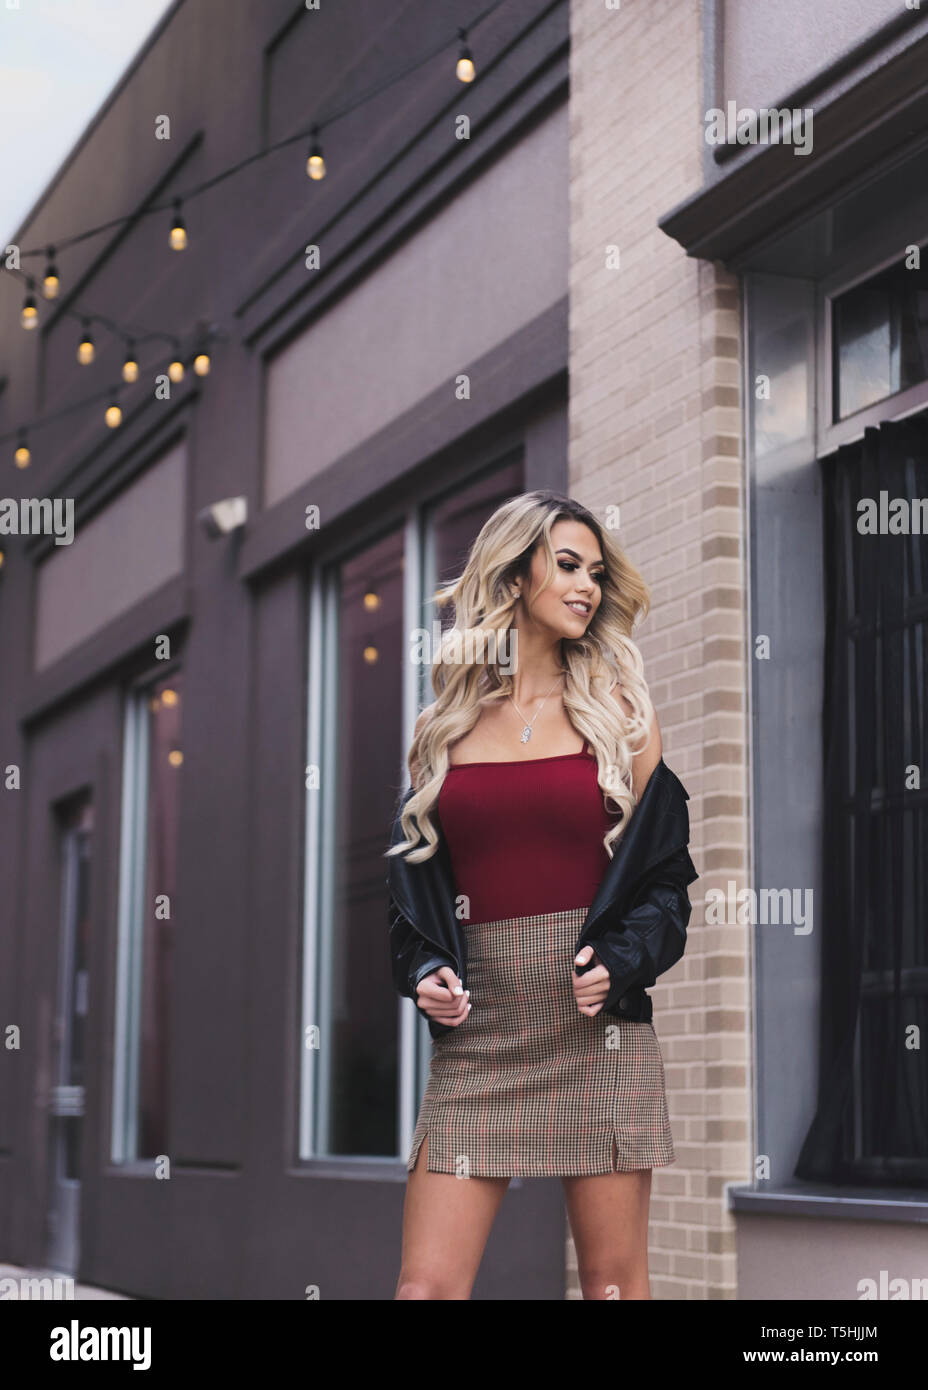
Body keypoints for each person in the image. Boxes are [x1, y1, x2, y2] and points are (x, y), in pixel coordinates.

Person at [385, 489, 698, 1300]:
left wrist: (622, 961)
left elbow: (665, 883)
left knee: (612, 1287)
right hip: (479, 1037)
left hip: (597, 1031)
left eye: (596, 571)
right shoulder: (444, 731)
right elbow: (413, 897)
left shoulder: (622, 716)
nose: (587, 585)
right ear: (514, 575)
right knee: (425, 1289)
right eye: (566, 565)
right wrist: (425, 973)